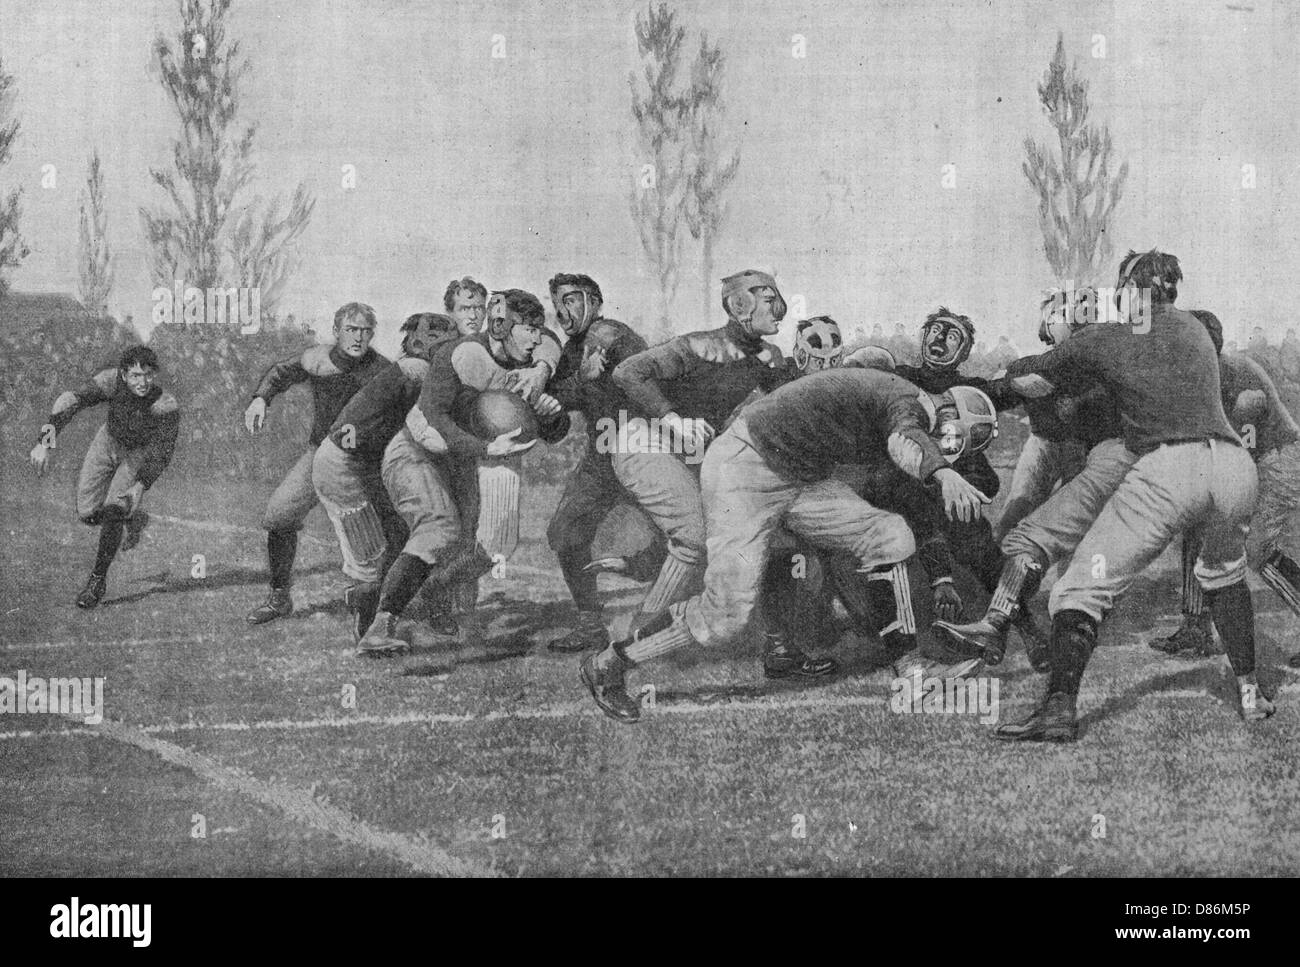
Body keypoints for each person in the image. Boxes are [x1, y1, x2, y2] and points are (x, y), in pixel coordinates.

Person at [940, 250, 1268, 742]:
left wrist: (979, 393)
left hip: (1171, 466)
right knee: (1221, 575)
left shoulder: (1108, 338)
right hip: (1234, 470)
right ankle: (1250, 693)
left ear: (1127, 290)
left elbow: (1031, 378)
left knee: (1079, 589)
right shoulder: (1196, 329)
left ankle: (1057, 710)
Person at [579, 366, 992, 723]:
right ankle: (607, 664)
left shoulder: (902, 403)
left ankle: (912, 672)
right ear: (948, 408)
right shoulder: (907, 400)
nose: (948, 447)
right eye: (954, 436)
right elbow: (907, 439)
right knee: (725, 614)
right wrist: (944, 475)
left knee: (889, 534)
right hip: (746, 465)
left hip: (796, 475)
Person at [601, 269, 796, 629]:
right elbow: (627, 373)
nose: (779, 309)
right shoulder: (696, 346)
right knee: (693, 534)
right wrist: (673, 419)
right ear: (741, 305)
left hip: (695, 452)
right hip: (645, 439)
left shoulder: (769, 356)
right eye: (769, 300)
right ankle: (642, 631)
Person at [1149, 310, 1300, 670]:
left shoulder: (1238, 379)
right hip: (1249, 461)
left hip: (1277, 462)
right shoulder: (1197, 378)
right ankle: (1195, 629)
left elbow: (1240, 451)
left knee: (1255, 548)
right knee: (1196, 525)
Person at [243, 302, 389, 625]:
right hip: (319, 452)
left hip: (365, 462)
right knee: (280, 514)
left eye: (365, 331)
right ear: (336, 331)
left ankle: (399, 605)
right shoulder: (318, 358)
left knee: (383, 530)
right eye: (351, 329)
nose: (358, 337)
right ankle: (280, 596)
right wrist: (260, 397)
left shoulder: (382, 370)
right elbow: (281, 372)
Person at [540, 274, 658, 653]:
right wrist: (547, 408)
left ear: (596, 301)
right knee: (565, 530)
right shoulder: (574, 350)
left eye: (572, 299)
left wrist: (571, 388)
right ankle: (591, 625)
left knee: (683, 535)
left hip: (646, 449)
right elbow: (558, 406)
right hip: (604, 455)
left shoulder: (608, 334)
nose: (562, 310)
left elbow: (622, 379)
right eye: (557, 302)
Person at [30, 346, 180, 608]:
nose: (142, 382)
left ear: (154, 374)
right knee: (87, 512)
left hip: (137, 453)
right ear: (123, 374)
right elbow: (70, 400)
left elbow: (162, 453)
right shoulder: (111, 380)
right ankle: (132, 518)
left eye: (147, 375)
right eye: (134, 375)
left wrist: (141, 485)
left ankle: (97, 581)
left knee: (113, 508)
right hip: (108, 441)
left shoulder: (165, 404)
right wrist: (44, 442)